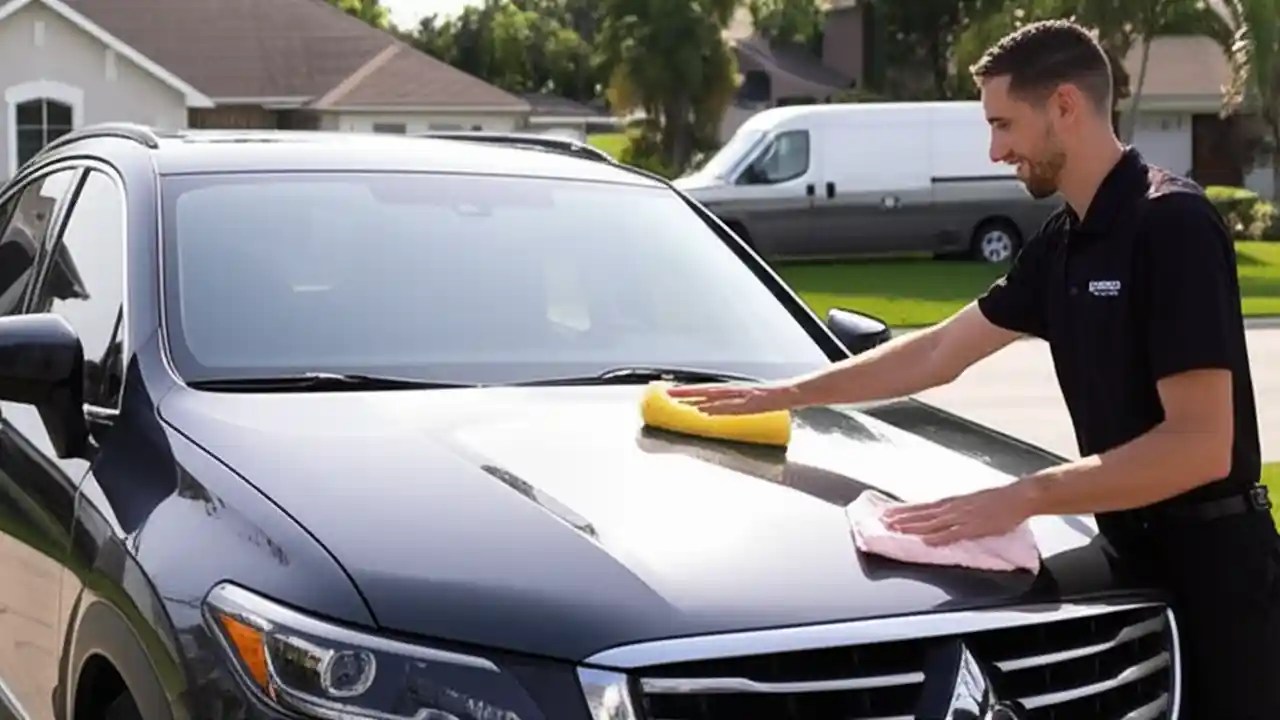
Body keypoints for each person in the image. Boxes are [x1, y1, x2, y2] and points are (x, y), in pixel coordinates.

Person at [669, 19, 1280, 719]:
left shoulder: (1171, 225)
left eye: (1003, 124)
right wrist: (786, 394)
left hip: (1216, 577)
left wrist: (1019, 497)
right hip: (1125, 560)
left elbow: (1199, 447)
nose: (996, 152)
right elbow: (937, 352)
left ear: (1065, 107)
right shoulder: (1064, 244)